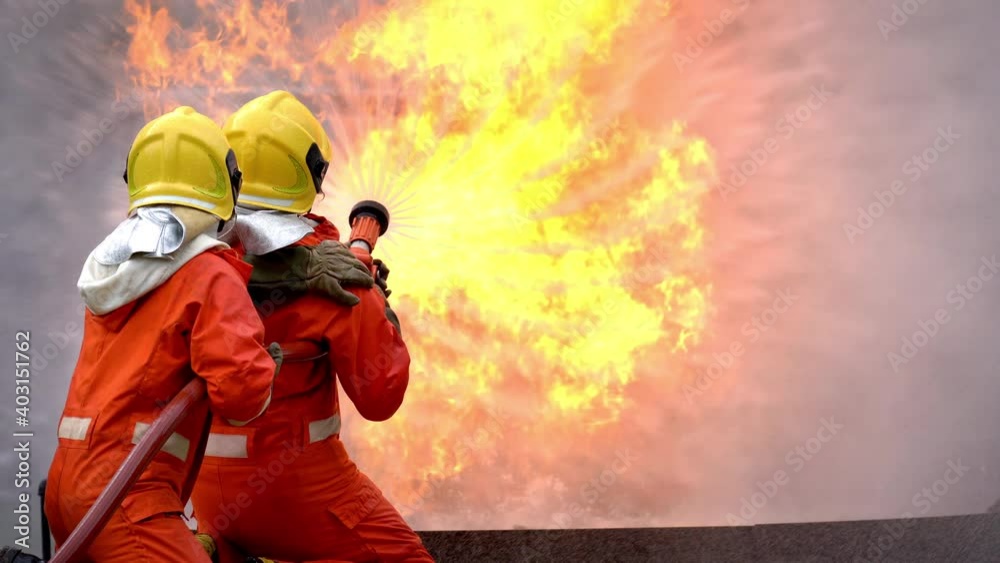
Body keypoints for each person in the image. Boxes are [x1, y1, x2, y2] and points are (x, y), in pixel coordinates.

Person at [190, 90, 432, 562]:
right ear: (311, 175)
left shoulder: (192, 258)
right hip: (296, 489)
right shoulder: (335, 278)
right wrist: (374, 301)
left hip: (206, 494)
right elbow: (381, 397)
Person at [44, 106, 281, 562]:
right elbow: (240, 397)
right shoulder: (210, 274)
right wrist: (265, 366)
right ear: (224, 185)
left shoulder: (114, 266)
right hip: (128, 497)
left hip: (67, 489)